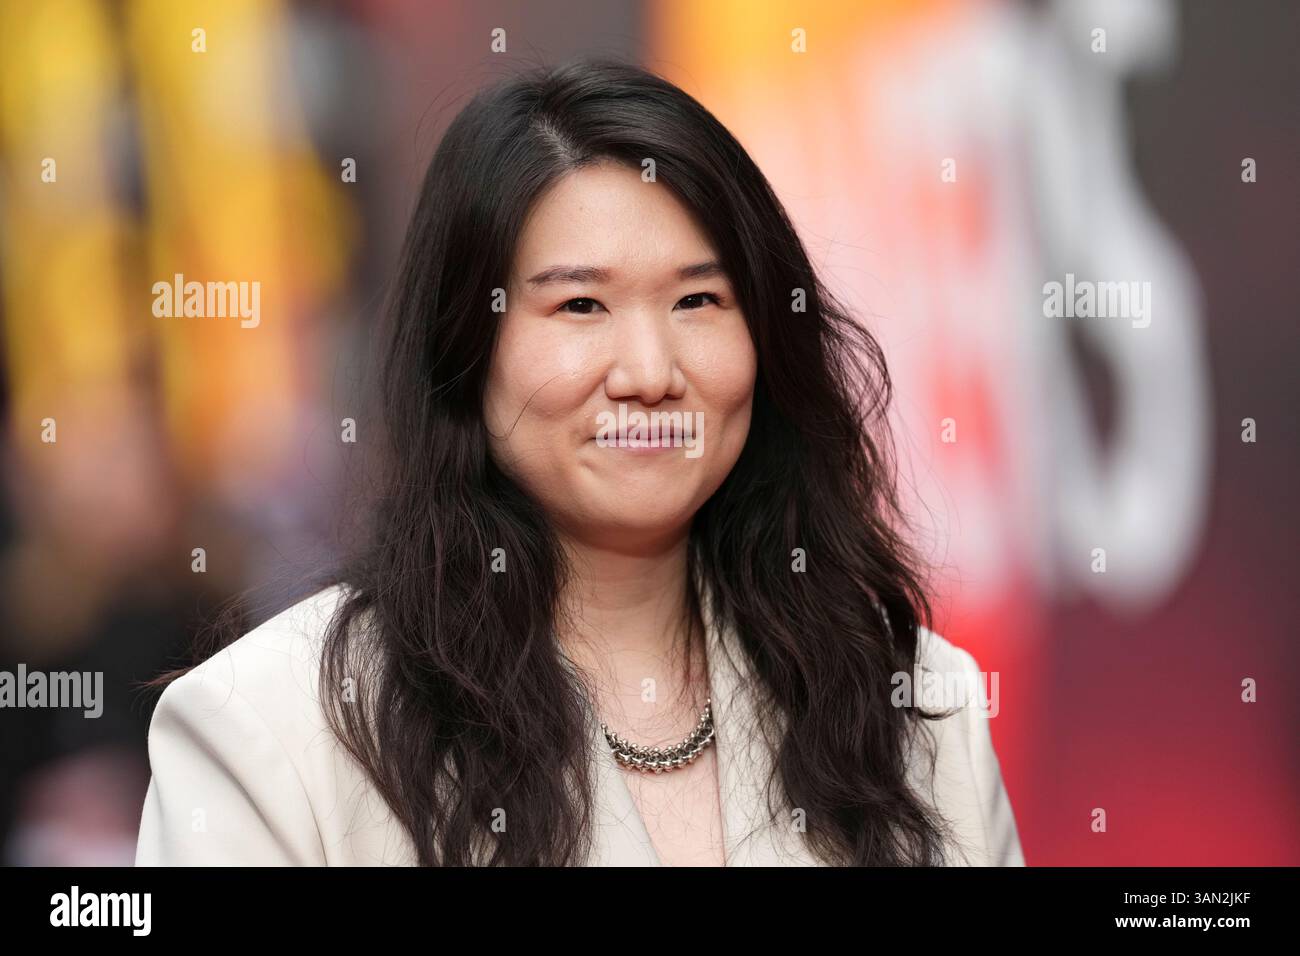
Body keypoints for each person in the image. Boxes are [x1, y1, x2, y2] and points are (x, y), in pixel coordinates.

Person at [135, 57, 1024, 867]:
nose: (649, 373)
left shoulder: (915, 707)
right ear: (466, 347)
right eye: (581, 307)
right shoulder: (273, 729)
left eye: (698, 300)